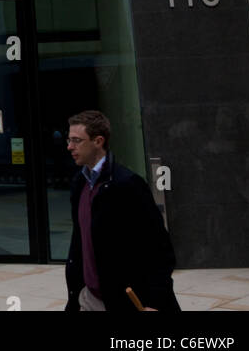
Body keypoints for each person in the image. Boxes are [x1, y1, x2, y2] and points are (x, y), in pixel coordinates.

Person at [64, 109, 181, 313]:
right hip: (88, 297)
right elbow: (81, 240)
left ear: (98, 141)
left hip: (125, 300)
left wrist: (155, 300)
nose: (69, 147)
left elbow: (158, 248)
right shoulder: (79, 184)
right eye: (69, 139)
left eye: (77, 140)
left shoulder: (127, 185)